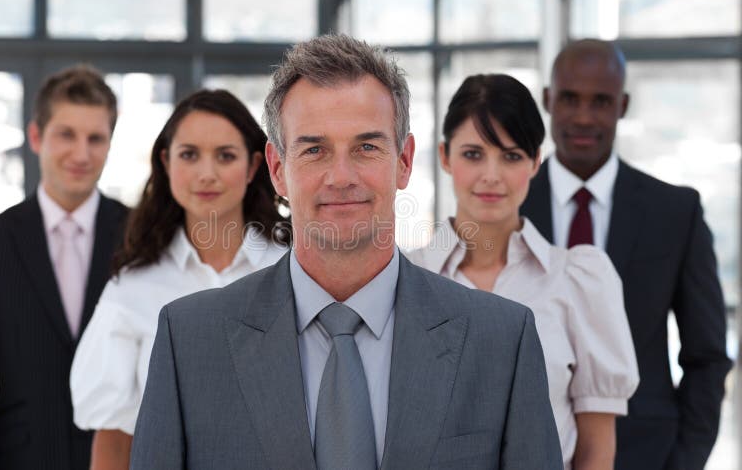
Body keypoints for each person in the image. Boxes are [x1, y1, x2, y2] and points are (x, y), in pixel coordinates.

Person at [129, 34, 562, 470]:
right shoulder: (189, 341)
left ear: (405, 161)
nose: (341, 176)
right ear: (278, 170)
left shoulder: (502, 341)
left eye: (366, 147)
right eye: (314, 149)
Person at [520, 39, 732, 470]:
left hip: (647, 456)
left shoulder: (676, 212)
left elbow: (706, 358)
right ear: (547, 100)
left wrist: (683, 463)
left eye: (600, 101)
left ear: (623, 105)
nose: (583, 116)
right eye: (570, 99)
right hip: (527, 452)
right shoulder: (508, 207)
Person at [410, 73, 639, 469]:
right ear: (446, 157)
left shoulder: (579, 281)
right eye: (473, 154)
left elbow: (597, 450)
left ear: (536, 162)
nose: (492, 175)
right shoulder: (405, 279)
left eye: (511, 156)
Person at [69, 88, 290, 470]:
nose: (207, 173)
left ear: (254, 166)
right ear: (166, 162)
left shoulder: (294, 270)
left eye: (225, 156)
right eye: (189, 155)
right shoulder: (133, 288)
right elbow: (113, 438)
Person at [0, 66, 128, 470]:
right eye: (66, 134)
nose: (81, 154)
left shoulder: (141, 236)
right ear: (35, 137)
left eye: (95, 138)